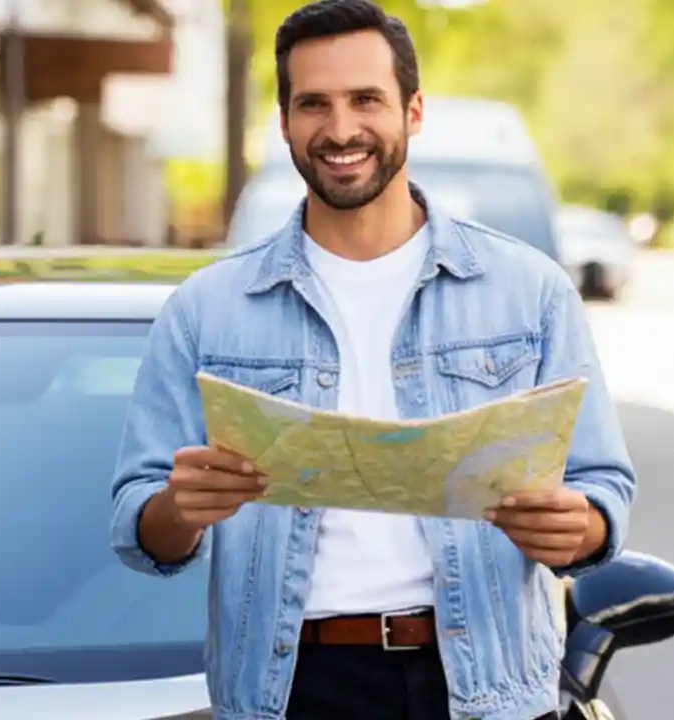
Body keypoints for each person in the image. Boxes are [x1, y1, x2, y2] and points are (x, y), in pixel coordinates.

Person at [108, 2, 636, 719]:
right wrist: (179, 509)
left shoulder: (529, 291)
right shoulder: (207, 308)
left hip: (486, 690)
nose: (341, 129)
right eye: (313, 104)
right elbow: (140, 526)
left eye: (366, 100)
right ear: (285, 121)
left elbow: (602, 484)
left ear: (413, 112)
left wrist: (582, 527)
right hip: (291, 691)